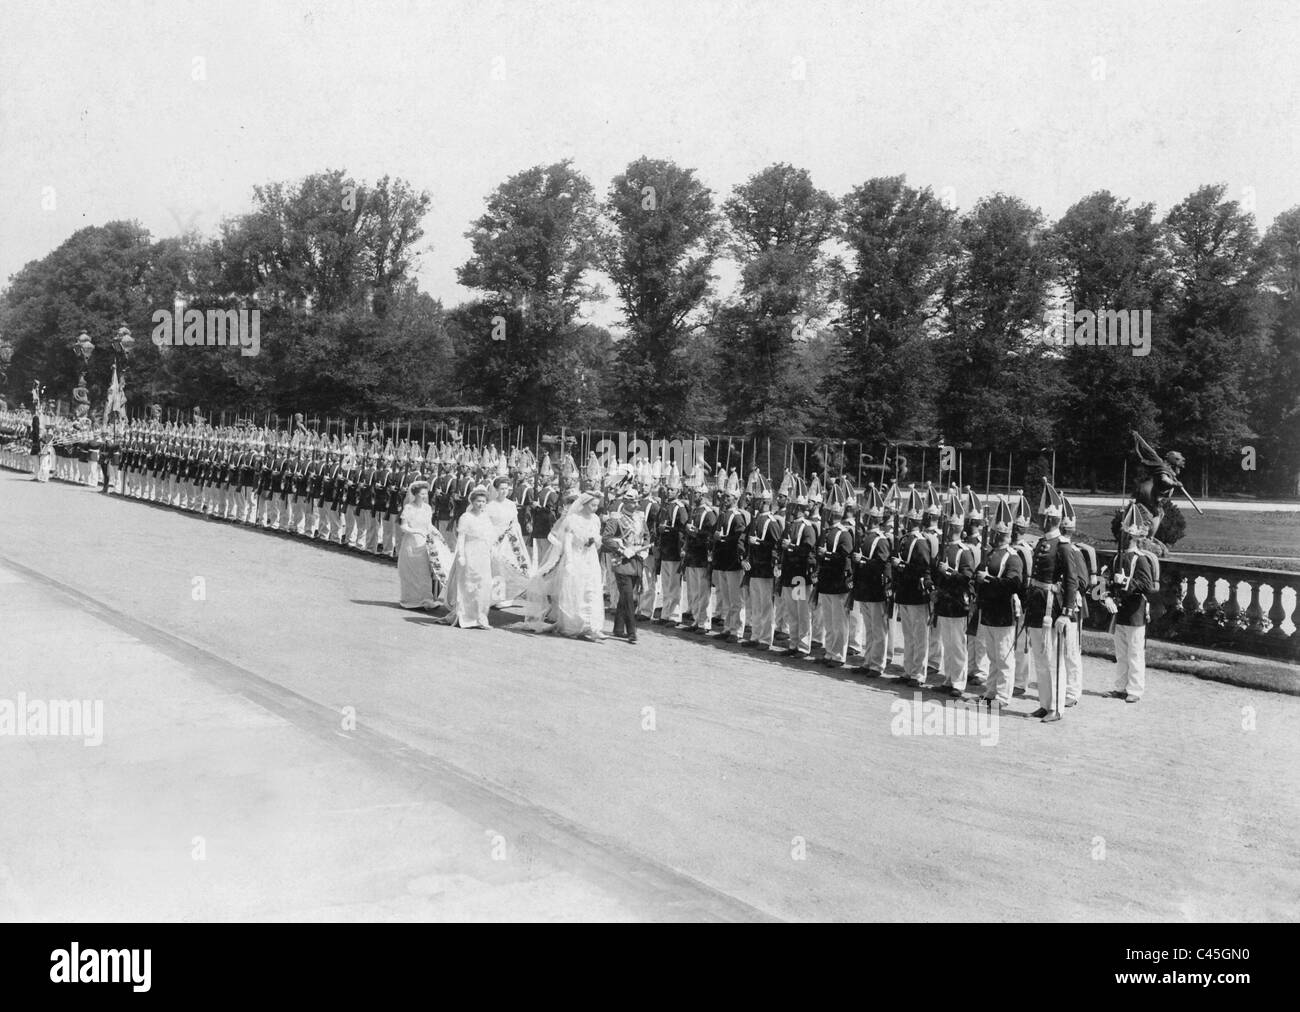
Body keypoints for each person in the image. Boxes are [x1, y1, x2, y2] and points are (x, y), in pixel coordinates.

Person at [521, 490, 606, 640]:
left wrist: (596, 541)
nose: (595, 508)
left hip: (590, 558)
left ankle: (592, 626)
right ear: (584, 504)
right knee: (576, 590)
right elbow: (567, 541)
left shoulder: (595, 520)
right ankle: (573, 625)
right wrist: (570, 561)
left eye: (597, 505)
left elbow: (598, 540)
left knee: (591, 589)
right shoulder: (573, 519)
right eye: (592, 505)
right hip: (576, 556)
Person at [1026, 482, 1078, 723]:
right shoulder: (1042, 542)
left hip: (1051, 607)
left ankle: (1056, 707)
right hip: (1037, 605)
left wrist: (1066, 613)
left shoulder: (1063, 546)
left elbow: (1071, 581)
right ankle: (1045, 703)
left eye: (1042, 517)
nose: (1039, 520)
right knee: (1040, 656)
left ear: (1049, 520)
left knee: (1053, 659)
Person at [1103, 502, 1158, 703]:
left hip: (1135, 611)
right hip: (1120, 611)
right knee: (1121, 653)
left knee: (1134, 653)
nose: (1123, 537)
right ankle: (1121, 687)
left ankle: (1134, 690)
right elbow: (1107, 580)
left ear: (1134, 537)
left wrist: (1125, 581)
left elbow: (1147, 585)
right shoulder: (1118, 557)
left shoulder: (1140, 560)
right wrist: (1107, 595)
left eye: (1127, 535)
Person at [975, 497, 1024, 711]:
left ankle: (1003, 696)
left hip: (1003, 611)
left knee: (1003, 656)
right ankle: (991, 691)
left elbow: (1013, 583)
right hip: (989, 610)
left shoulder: (1013, 557)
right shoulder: (992, 553)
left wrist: (987, 579)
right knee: (992, 655)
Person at [933, 493, 975, 697]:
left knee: (957, 644)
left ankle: (959, 682)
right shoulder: (944, 548)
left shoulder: (963, 551)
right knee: (947, 643)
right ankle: (948, 677)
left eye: (950, 527)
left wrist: (948, 571)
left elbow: (967, 577)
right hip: (944, 601)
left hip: (957, 602)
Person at [437, 485, 496, 629]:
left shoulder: (486, 518)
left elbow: (489, 537)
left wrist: (491, 550)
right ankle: (465, 615)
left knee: (483, 585)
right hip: (470, 552)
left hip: (482, 554)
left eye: (483, 501)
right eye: (478, 501)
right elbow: (461, 538)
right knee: (468, 585)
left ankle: (479, 617)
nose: (480, 504)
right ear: (472, 502)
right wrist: (462, 555)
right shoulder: (466, 517)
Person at [602, 488, 649, 643]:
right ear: (625, 502)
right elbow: (606, 538)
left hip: (637, 561)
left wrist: (644, 550)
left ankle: (618, 628)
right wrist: (621, 548)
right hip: (622, 561)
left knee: (625, 596)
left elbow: (647, 536)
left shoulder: (641, 518)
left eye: (637, 501)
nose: (636, 504)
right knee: (629, 597)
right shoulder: (616, 518)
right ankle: (632, 631)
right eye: (632, 502)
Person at [397, 481, 442, 610]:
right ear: (415, 494)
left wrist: (436, 534)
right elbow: (403, 526)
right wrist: (415, 531)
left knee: (424, 572)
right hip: (411, 544)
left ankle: (426, 600)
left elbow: (429, 525)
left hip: (424, 545)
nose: (424, 496)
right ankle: (411, 600)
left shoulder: (427, 508)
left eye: (425, 493)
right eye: (421, 494)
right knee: (412, 572)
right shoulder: (409, 508)